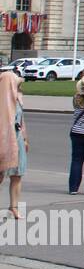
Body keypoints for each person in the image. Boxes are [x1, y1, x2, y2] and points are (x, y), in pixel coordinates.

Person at [0, 72, 27, 218]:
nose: (18, 85)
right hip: (3, 141)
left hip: (17, 140)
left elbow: (21, 120)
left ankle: (14, 207)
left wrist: (25, 138)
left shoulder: (17, 98)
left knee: (17, 175)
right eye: (16, 82)